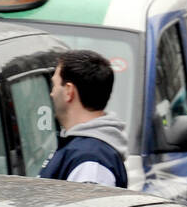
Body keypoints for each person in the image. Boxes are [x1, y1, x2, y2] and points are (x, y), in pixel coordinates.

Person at [39, 50, 129, 187]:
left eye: (54, 85)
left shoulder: (90, 162)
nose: (51, 94)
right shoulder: (83, 150)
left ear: (69, 91)